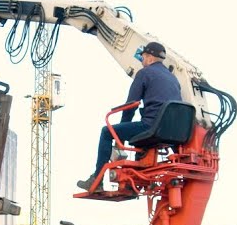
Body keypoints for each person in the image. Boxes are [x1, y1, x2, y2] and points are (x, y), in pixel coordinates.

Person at [77, 41, 182, 191]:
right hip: (173, 133)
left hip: (152, 127)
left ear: (150, 58)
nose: (142, 62)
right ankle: (136, 182)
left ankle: (97, 180)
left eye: (143, 58)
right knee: (141, 137)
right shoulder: (174, 79)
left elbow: (130, 105)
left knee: (107, 132)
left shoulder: (144, 73)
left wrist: (119, 137)